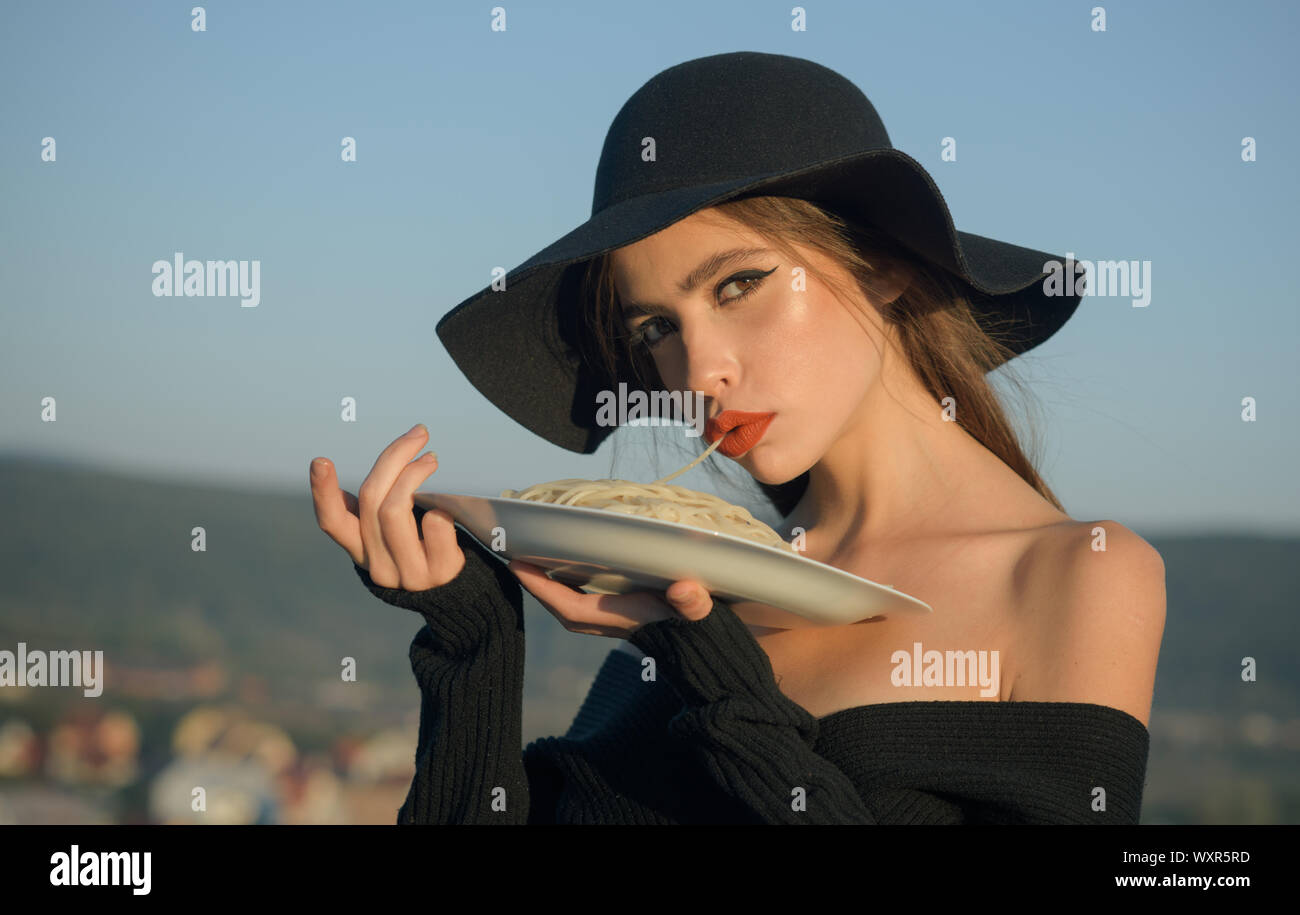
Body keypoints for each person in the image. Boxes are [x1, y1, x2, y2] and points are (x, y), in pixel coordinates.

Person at [309, 52, 1165, 824]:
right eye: (654, 329)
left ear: (883, 264)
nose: (696, 370)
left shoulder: (1076, 575)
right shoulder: (693, 580)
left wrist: (717, 677)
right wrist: (474, 648)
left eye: (738, 284)